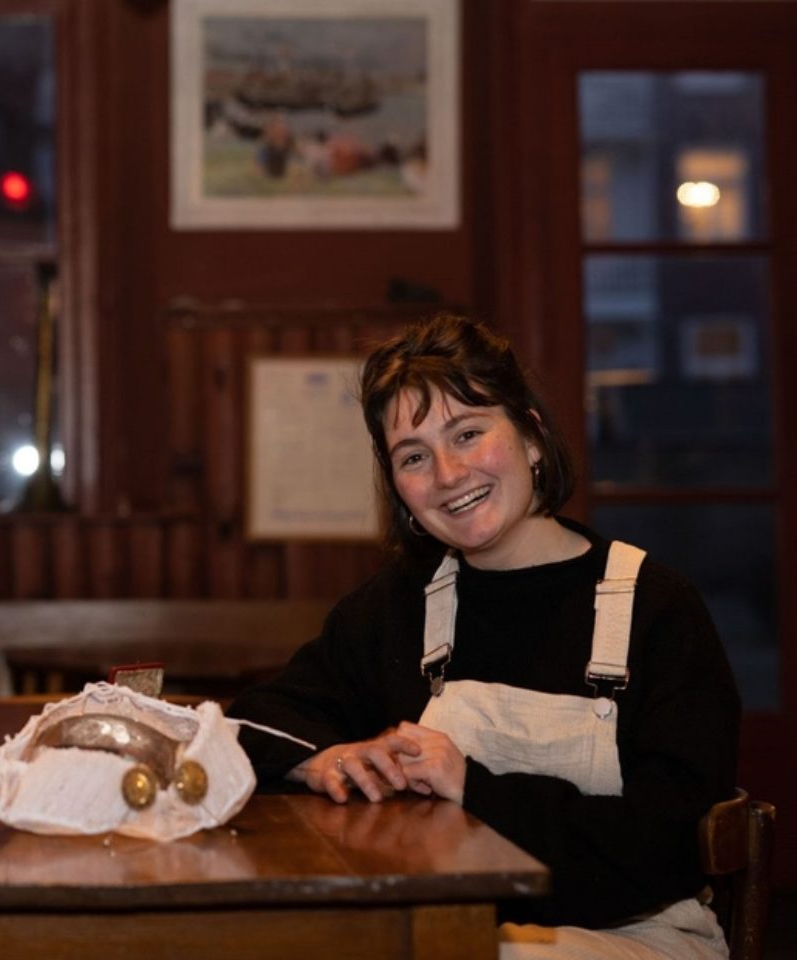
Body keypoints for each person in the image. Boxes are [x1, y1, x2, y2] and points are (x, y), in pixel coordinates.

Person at [228, 313, 739, 958]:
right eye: (414, 456)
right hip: (444, 927)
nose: (447, 474)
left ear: (530, 433)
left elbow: (665, 843)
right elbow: (252, 726)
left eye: (468, 433)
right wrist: (320, 758)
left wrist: (472, 784)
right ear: (398, 487)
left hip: (638, 933)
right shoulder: (397, 605)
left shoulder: (656, 609)